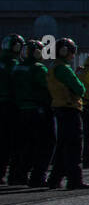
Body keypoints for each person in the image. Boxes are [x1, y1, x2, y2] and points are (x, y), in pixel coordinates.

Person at [47, 37, 89, 190]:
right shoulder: (64, 69)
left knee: (62, 146)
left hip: (59, 108)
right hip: (70, 108)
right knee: (73, 146)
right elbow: (80, 89)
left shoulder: (53, 68)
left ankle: (54, 179)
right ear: (66, 52)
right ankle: (74, 180)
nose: (73, 55)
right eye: (72, 52)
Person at [11, 39, 54, 187]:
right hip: (37, 110)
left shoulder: (17, 68)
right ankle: (38, 177)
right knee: (44, 145)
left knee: (23, 145)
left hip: (19, 110)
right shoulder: (38, 68)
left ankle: (17, 175)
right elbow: (48, 89)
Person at [0, 34, 22, 183]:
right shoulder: (14, 64)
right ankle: (15, 175)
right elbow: (20, 85)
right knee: (15, 141)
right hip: (11, 105)